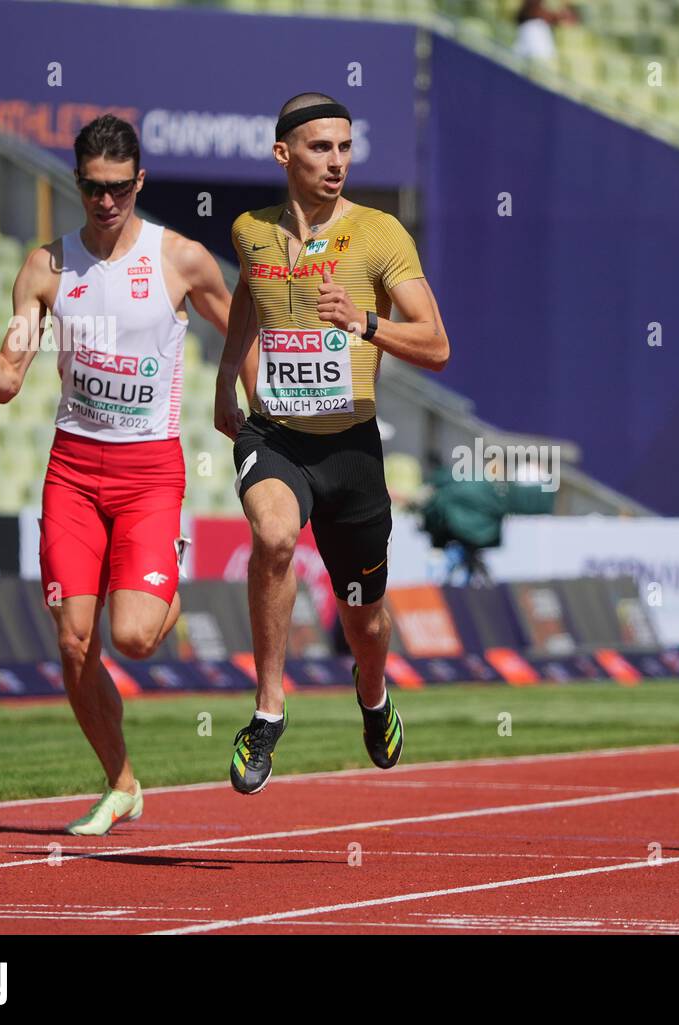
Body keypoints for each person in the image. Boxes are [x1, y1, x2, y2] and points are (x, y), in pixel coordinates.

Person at [0, 115, 232, 834]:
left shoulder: (181, 260)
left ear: (138, 181)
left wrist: (249, 407)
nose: (104, 202)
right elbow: (10, 377)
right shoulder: (46, 267)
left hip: (149, 471)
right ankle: (121, 782)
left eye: (117, 189)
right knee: (76, 641)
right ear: (75, 181)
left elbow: (240, 332)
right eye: (90, 188)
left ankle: (163, 574)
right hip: (73, 471)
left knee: (135, 636)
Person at [214, 93, 450, 795]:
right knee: (275, 537)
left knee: (366, 622)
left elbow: (436, 344)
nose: (337, 161)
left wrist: (366, 322)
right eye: (321, 148)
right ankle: (268, 711)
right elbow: (248, 297)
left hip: (351, 449)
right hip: (275, 435)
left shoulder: (380, 234)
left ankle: (373, 698)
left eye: (345, 147)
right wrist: (228, 376)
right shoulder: (249, 230)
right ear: (284, 154)